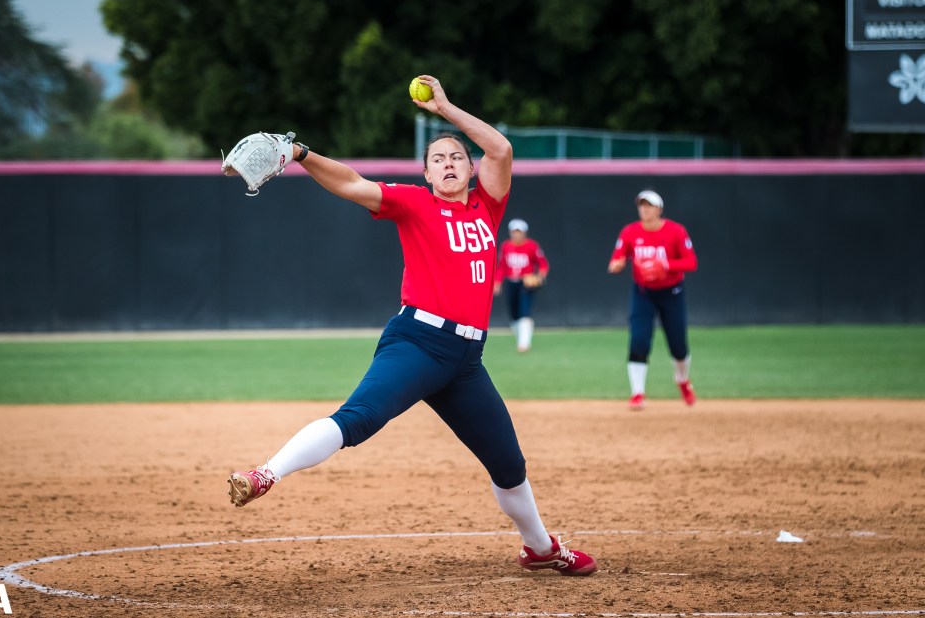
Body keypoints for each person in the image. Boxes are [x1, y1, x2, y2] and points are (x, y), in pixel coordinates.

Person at [225, 75, 596, 576]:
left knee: (509, 466)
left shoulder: (488, 207)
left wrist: (444, 109)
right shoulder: (415, 204)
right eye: (438, 159)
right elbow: (352, 184)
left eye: (457, 158)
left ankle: (540, 547)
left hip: (466, 362)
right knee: (357, 419)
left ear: (471, 170)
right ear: (425, 174)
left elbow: (502, 148)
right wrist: (301, 153)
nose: (448, 163)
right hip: (418, 343)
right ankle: (266, 473)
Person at [607, 190, 698, 411]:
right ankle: (637, 393)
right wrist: (617, 265)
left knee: (678, 346)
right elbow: (616, 259)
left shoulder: (676, 231)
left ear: (659, 209)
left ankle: (682, 380)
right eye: (641, 205)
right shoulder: (630, 232)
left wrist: (665, 265)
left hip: (671, 293)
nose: (644, 209)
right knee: (638, 340)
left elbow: (691, 262)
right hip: (643, 293)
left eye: (649, 205)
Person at [494, 218, 549, 352]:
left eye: (519, 232)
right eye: (514, 231)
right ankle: (520, 338)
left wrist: (540, 277)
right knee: (514, 313)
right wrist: (497, 282)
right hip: (511, 282)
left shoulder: (531, 246)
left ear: (525, 233)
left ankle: (524, 343)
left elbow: (543, 264)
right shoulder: (506, 246)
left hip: (526, 283)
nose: (516, 234)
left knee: (524, 311)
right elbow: (501, 267)